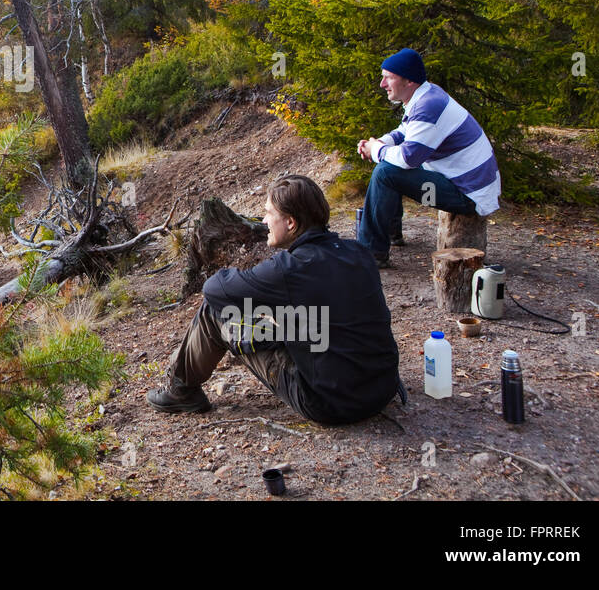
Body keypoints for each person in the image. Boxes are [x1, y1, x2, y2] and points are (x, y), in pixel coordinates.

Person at [147, 175, 402, 425]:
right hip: (382, 388)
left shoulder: (290, 269)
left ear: (290, 222)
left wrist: (248, 284)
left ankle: (181, 390)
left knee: (214, 312)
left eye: (269, 213)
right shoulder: (359, 252)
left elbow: (214, 290)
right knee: (306, 320)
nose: (264, 220)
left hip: (331, 403)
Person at [355, 48, 501, 267]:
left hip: (468, 195)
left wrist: (376, 151)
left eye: (388, 78)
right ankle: (390, 234)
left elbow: (408, 159)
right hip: (463, 183)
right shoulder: (426, 95)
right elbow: (404, 132)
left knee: (385, 172)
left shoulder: (428, 106)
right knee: (387, 166)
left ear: (409, 81)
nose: (382, 84)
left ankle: (371, 253)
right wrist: (379, 143)